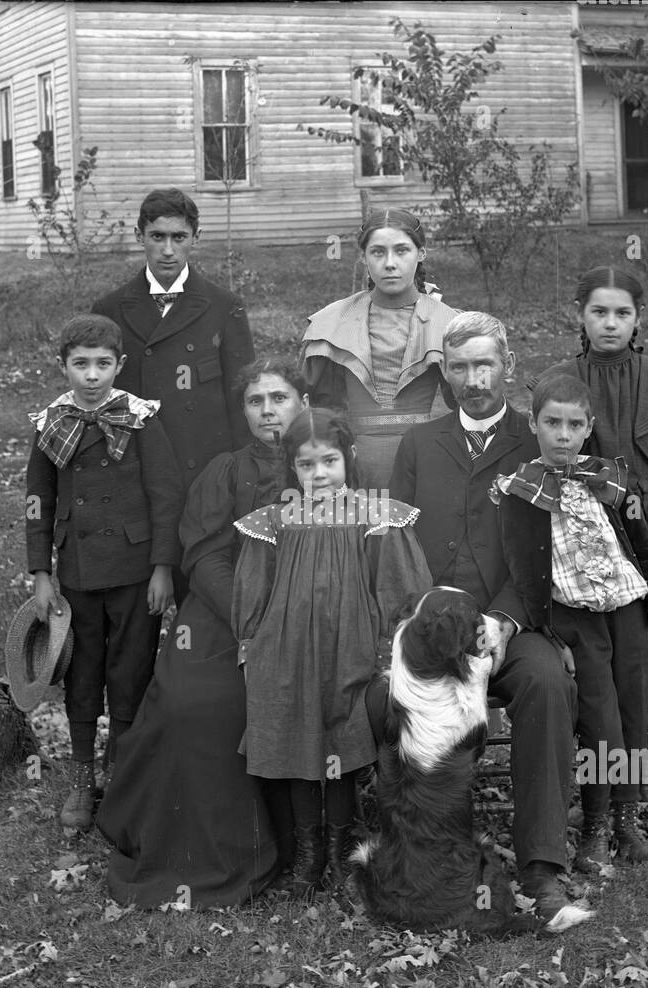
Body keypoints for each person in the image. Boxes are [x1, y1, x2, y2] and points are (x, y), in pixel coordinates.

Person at [95, 361, 312, 907]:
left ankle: (285, 842)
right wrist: (248, 612)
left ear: (301, 404)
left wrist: (285, 612)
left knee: (259, 699)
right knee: (192, 704)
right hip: (221, 613)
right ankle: (183, 848)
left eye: (279, 398)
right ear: (242, 411)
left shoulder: (322, 463)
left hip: (302, 610)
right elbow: (205, 554)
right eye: (255, 400)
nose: (267, 409)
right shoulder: (223, 471)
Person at [386, 311, 580, 917]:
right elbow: (395, 539)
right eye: (461, 367)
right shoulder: (419, 443)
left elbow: (554, 551)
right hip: (433, 624)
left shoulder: (538, 440)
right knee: (381, 691)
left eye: (485, 364)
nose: (474, 378)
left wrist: (505, 619)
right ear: (445, 374)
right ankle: (416, 851)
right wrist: (423, 619)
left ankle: (541, 867)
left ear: (508, 368)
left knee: (546, 682)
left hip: (510, 618)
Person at [232, 409, 433, 896]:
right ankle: (308, 852)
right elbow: (253, 591)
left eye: (329, 461)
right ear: (292, 468)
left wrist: (386, 650)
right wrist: (250, 648)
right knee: (300, 745)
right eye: (306, 465)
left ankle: (344, 849)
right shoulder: (275, 521)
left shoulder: (373, 514)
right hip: (287, 654)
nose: (319, 474)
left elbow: (398, 587)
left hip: (351, 650)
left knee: (339, 745)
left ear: (349, 458)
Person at [532, 266, 648, 760]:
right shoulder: (561, 382)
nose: (610, 323)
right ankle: (593, 778)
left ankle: (636, 782)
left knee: (647, 661)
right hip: (583, 537)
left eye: (622, 313)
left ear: (639, 319)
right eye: (599, 312)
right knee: (592, 664)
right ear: (581, 316)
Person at [492, 373, 648, 871]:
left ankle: (626, 821)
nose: (564, 435)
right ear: (533, 424)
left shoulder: (611, 481)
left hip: (629, 613)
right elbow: (525, 575)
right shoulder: (522, 491)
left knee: (635, 719)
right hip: (576, 622)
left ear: (589, 426)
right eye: (553, 423)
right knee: (601, 724)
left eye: (575, 424)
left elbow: (645, 551)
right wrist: (551, 637)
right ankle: (593, 826)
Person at [25, 314, 184, 831]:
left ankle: (122, 775)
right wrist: (40, 572)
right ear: (64, 366)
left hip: (137, 571)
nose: (91, 375)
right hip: (76, 570)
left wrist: (163, 567)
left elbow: (166, 496)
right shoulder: (51, 424)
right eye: (80, 364)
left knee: (131, 668)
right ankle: (80, 777)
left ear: (120, 365)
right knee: (83, 671)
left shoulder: (141, 419)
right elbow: (37, 502)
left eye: (102, 364)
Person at [91, 187, 256, 486]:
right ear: (139, 235)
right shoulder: (109, 310)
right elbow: (97, 401)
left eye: (178, 237)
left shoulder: (225, 307)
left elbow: (241, 398)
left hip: (206, 471)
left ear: (196, 237)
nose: (168, 250)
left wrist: (242, 477)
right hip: (136, 470)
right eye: (157, 236)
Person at [300, 208, 459, 491]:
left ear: (421, 253)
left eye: (401, 251)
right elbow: (322, 411)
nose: (390, 263)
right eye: (377, 252)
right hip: (353, 462)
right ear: (363, 258)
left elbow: (469, 405)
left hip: (426, 458)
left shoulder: (448, 322)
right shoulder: (332, 322)